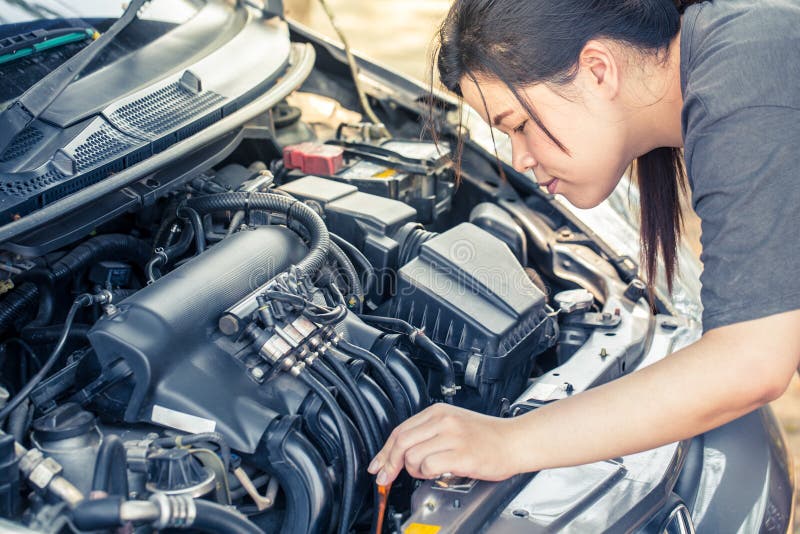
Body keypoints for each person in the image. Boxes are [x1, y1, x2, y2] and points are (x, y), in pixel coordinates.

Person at [368, 0, 800, 486]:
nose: (520, 159)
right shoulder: (721, 55)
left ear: (597, 70)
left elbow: (750, 361)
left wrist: (509, 442)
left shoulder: (744, 83)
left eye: (520, 125)